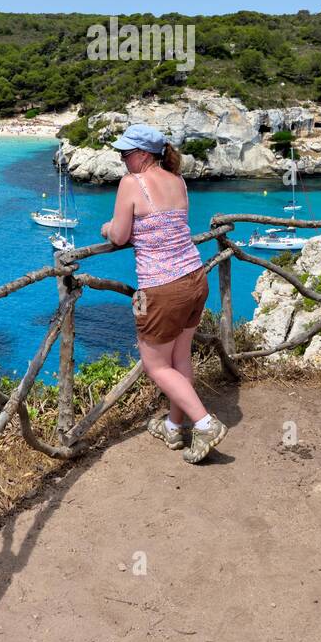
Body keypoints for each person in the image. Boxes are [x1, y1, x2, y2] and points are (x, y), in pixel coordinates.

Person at [99, 123, 228, 464]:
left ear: (142, 155)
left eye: (125, 154)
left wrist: (108, 227)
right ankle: (174, 425)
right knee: (180, 358)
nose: (122, 161)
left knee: (155, 365)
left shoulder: (132, 183)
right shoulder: (178, 180)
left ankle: (204, 423)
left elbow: (119, 235)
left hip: (162, 287)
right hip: (194, 277)